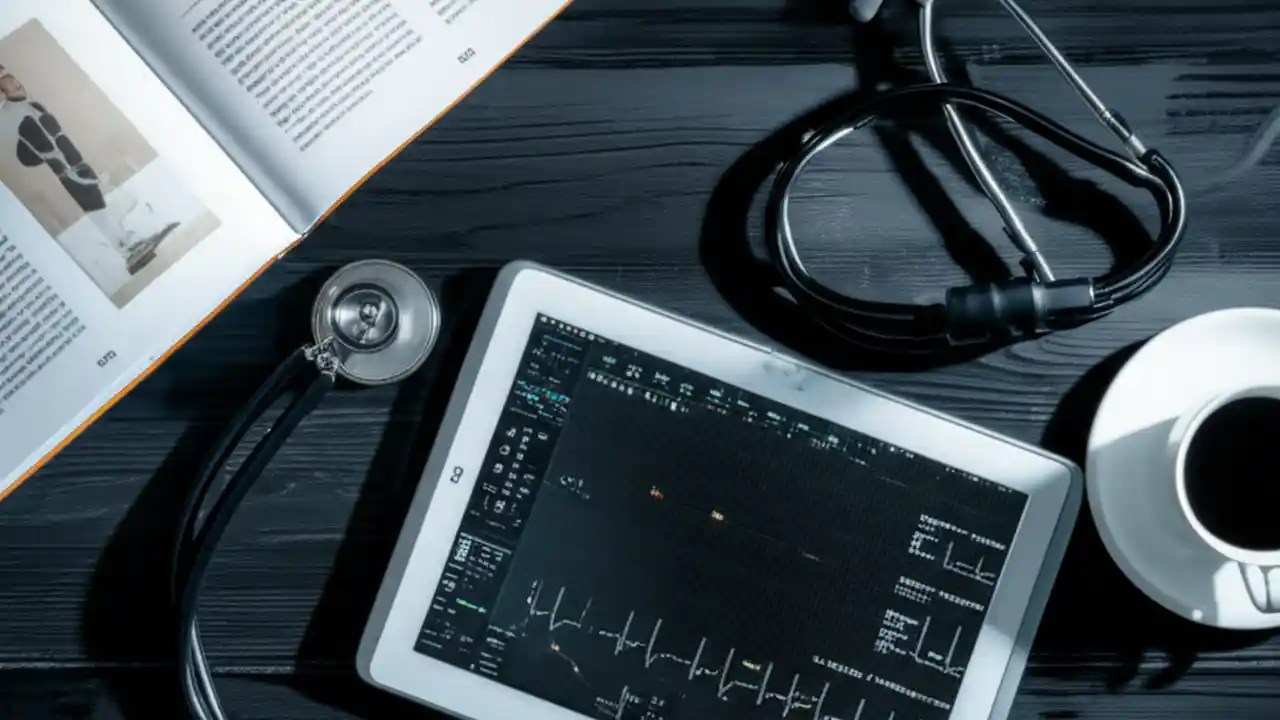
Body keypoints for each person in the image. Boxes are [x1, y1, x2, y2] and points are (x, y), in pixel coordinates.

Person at [0, 62, 174, 274]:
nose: (15, 83)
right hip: (69, 174)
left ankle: (132, 243)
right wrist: (62, 167)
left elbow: (57, 137)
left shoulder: (34, 106)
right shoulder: (11, 116)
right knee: (99, 212)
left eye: (12, 76)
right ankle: (128, 254)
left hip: (79, 164)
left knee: (111, 203)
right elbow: (29, 154)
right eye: (5, 82)